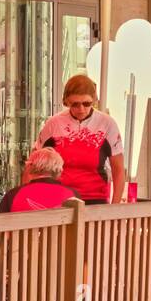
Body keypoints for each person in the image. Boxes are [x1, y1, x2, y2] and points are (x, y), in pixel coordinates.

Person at [35, 74, 126, 205]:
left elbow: (118, 170)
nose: (81, 109)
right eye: (75, 104)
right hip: (58, 198)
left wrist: (115, 208)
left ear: (94, 101)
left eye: (86, 103)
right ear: (66, 102)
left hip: (95, 199)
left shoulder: (107, 124)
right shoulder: (53, 124)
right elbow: (33, 165)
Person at [0, 148, 78, 212]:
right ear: (59, 169)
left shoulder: (14, 194)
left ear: (30, 166)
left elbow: (0, 227)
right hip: (64, 233)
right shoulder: (73, 195)